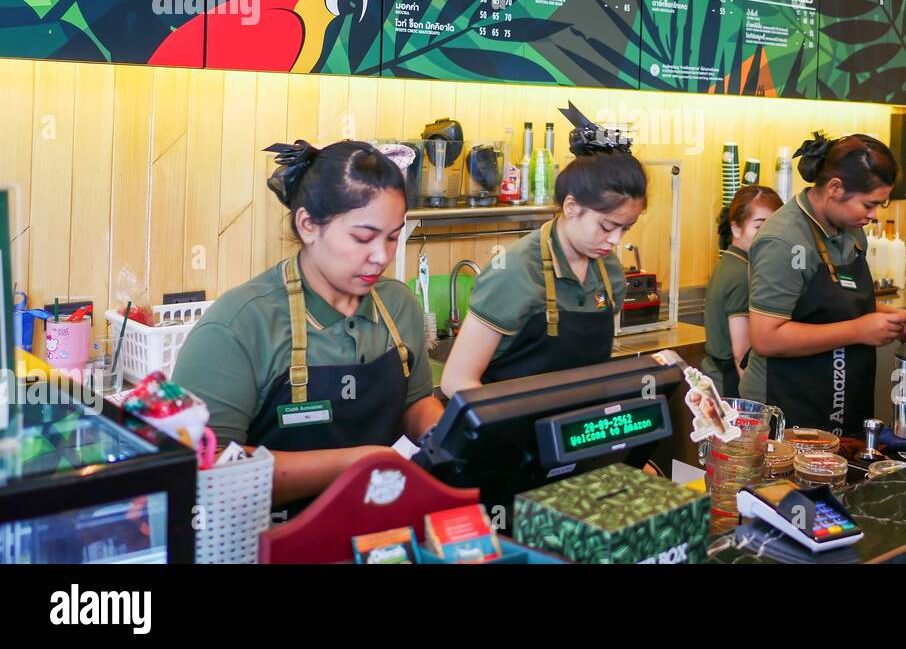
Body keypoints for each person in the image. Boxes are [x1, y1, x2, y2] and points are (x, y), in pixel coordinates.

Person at [173, 140, 443, 509]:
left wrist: (446, 435)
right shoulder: (238, 325)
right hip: (265, 538)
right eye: (362, 237)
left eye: (393, 237)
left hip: (377, 529)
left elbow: (416, 403)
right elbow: (205, 468)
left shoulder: (398, 305)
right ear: (308, 225)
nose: (382, 256)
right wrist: (355, 464)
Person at [439, 104, 645, 394]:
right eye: (607, 227)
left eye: (626, 229)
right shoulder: (513, 272)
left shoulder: (609, 273)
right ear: (571, 206)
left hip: (575, 430)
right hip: (509, 434)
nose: (615, 241)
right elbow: (456, 382)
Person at [742, 132, 906, 434]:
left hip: (841, 401)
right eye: (868, 205)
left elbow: (833, 301)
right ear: (835, 188)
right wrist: (859, 330)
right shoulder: (784, 240)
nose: (873, 215)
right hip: (785, 407)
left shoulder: (851, 230)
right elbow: (766, 337)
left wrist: (885, 318)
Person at [701, 185, 782, 397]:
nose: (768, 235)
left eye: (774, 227)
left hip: (717, 378)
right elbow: (741, 354)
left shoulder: (729, 262)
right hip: (730, 384)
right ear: (736, 228)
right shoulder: (741, 275)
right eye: (759, 226)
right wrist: (755, 404)